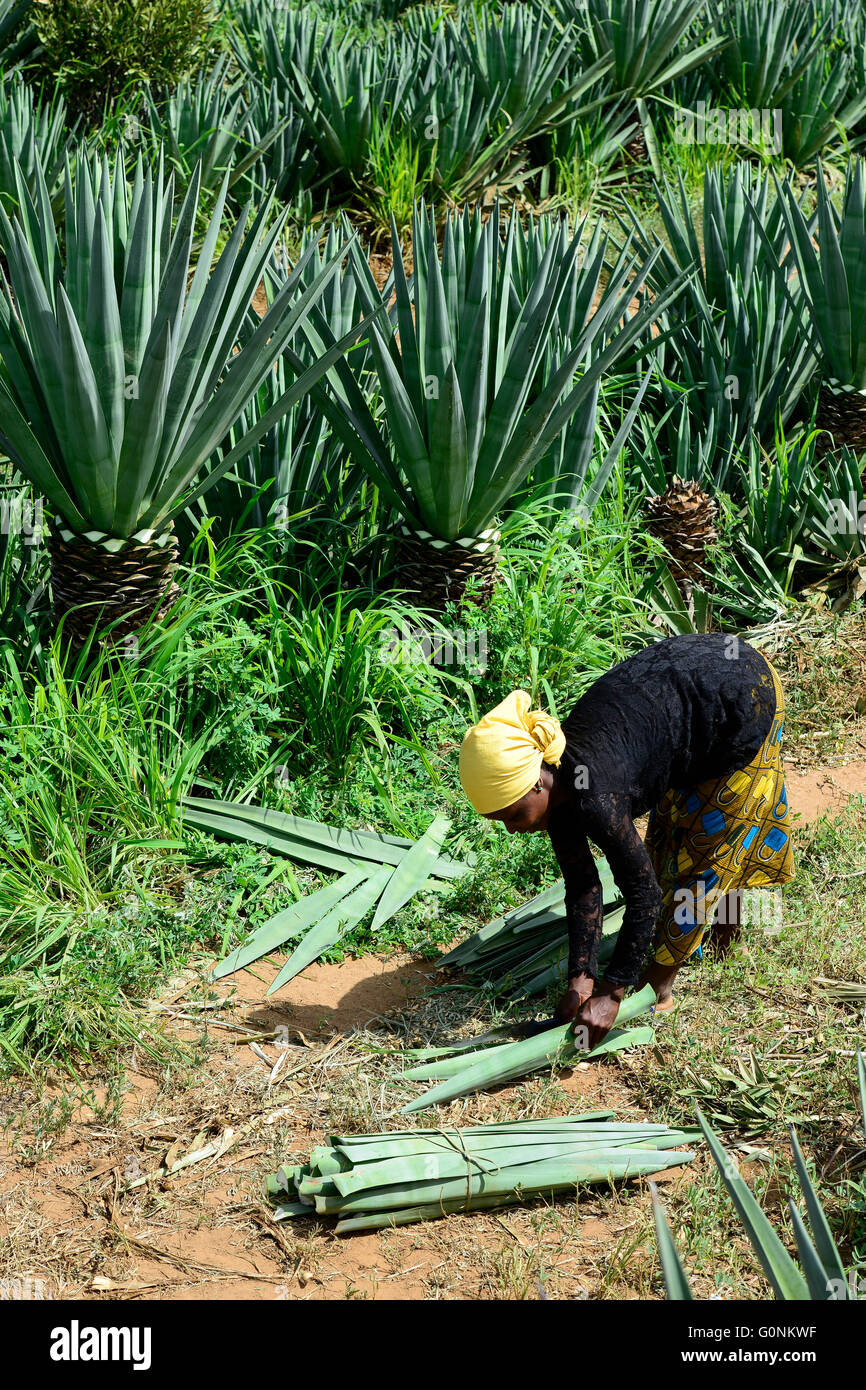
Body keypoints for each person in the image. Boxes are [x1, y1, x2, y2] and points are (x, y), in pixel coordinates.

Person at [458, 633, 795, 1048]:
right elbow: (583, 885)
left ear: (536, 785)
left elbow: (644, 895)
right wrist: (581, 979)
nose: (511, 828)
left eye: (511, 814)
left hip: (741, 691)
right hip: (686, 699)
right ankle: (722, 937)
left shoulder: (595, 793)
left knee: (707, 858)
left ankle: (661, 988)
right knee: (668, 841)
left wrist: (613, 992)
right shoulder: (561, 782)